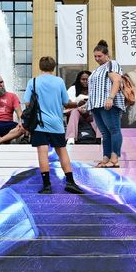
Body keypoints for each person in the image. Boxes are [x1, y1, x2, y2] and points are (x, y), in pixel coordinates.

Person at [22, 56, 84, 194]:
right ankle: (70, 182)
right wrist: (77, 104)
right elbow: (66, 102)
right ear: (53, 67)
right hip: (57, 124)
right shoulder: (59, 81)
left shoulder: (33, 81)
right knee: (62, 151)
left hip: (39, 123)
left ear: (40, 66)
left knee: (42, 152)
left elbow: (27, 102)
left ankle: (47, 185)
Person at [88, 40, 126, 168]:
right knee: (105, 133)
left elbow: (116, 81)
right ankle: (106, 158)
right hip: (96, 105)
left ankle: (114, 159)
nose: (97, 58)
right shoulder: (97, 69)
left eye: (99, 56)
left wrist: (110, 98)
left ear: (106, 54)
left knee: (114, 130)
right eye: (95, 56)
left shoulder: (111, 64)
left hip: (108, 103)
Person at [65, 70, 99, 145]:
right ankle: (71, 137)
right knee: (75, 111)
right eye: (83, 79)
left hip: (90, 113)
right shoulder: (73, 89)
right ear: (79, 80)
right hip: (78, 114)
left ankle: (100, 137)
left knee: (98, 112)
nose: (85, 81)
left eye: (87, 79)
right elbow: (67, 103)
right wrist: (78, 104)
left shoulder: (95, 89)